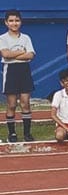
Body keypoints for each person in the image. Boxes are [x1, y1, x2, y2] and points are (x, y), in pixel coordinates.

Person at [1, 9, 35, 143]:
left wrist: (14, 54)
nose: (14, 23)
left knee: (25, 102)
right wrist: (21, 52)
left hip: (24, 70)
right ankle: (12, 133)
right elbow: (5, 55)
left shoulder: (26, 38)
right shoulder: (2, 38)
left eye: (16, 20)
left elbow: (31, 55)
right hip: (11, 71)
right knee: (12, 104)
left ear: (20, 22)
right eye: (11, 21)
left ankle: (27, 133)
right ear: (6, 22)